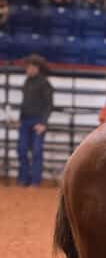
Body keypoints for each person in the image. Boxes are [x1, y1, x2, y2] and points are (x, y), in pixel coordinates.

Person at [17, 54, 54, 187]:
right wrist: (20, 119)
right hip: (26, 120)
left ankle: (35, 181)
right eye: (27, 67)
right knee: (22, 149)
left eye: (30, 67)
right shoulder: (27, 82)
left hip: (38, 121)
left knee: (37, 151)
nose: (27, 69)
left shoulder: (44, 83)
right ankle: (24, 179)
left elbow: (48, 104)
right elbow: (24, 103)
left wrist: (43, 123)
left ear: (36, 68)